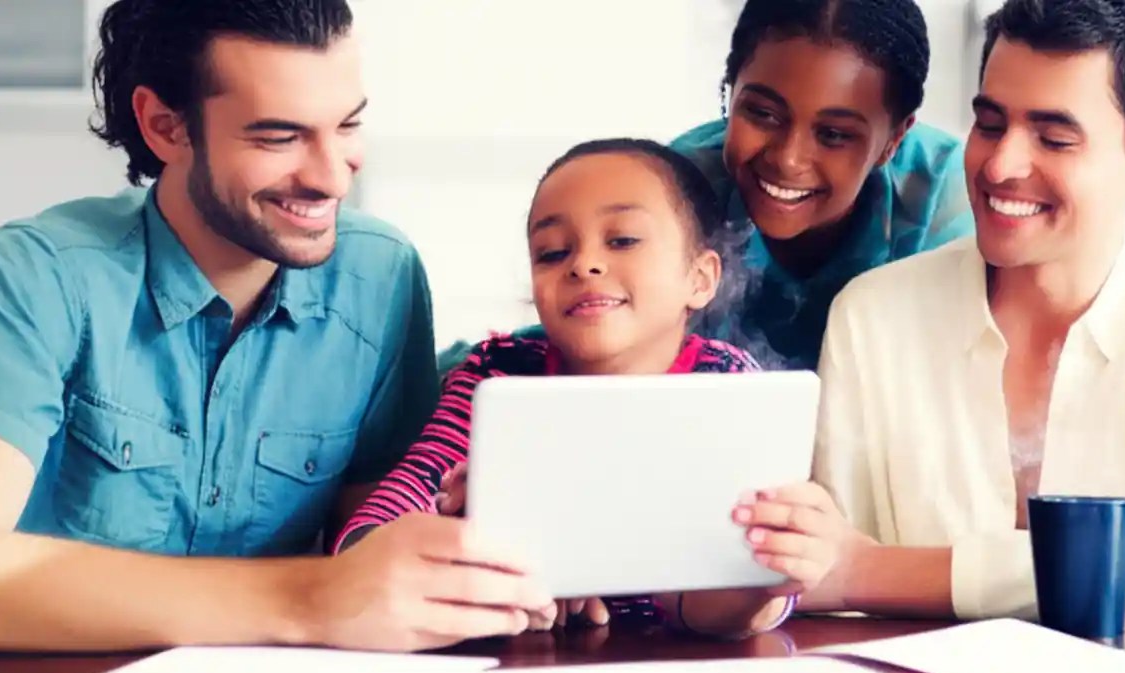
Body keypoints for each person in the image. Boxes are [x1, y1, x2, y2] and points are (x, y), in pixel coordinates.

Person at [0, 0, 550, 652]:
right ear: (165, 127)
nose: (332, 176)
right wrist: (309, 599)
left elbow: (375, 531)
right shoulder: (35, 275)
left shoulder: (379, 274)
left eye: (348, 125)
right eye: (279, 138)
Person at [773, 0, 1125, 635]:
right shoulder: (876, 318)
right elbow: (821, 578)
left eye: (1055, 138)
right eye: (990, 124)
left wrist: (870, 571)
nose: (1001, 166)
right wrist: (843, 570)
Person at [339, 139, 845, 637]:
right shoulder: (497, 373)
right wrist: (470, 533)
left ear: (700, 277)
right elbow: (375, 532)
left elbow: (733, 603)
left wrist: (774, 568)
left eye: (622, 240)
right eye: (552, 252)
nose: (583, 264)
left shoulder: (731, 387)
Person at [436, 0, 974, 374]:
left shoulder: (945, 208)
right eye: (761, 112)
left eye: (833, 134)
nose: (788, 158)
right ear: (729, 90)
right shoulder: (680, 186)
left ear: (894, 140)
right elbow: (600, 329)